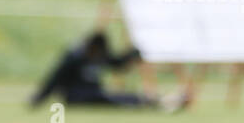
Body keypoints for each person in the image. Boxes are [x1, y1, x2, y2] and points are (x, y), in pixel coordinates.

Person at [30, 31, 185, 109]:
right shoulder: (74, 58)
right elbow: (55, 78)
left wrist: (131, 55)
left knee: (116, 97)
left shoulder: (98, 54)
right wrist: (39, 98)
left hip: (95, 94)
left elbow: (116, 64)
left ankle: (151, 101)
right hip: (76, 97)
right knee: (113, 99)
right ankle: (150, 102)